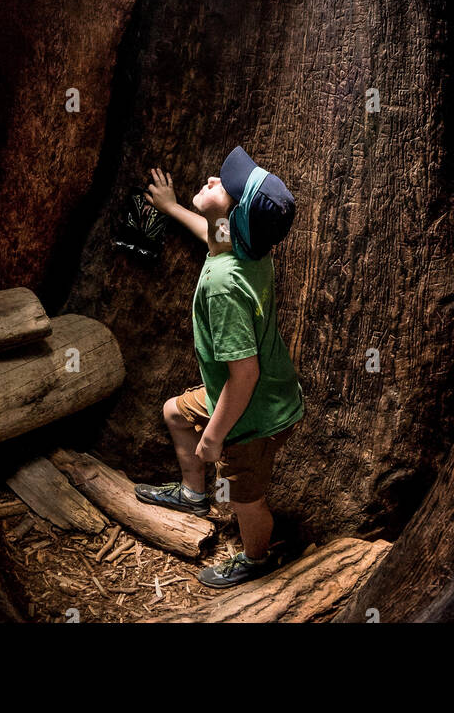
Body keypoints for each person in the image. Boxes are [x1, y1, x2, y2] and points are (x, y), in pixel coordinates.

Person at [135, 145, 304, 588]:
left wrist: (213, 436)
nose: (212, 178)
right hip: (257, 395)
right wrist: (171, 208)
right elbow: (211, 233)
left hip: (255, 417)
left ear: (235, 220)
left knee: (245, 499)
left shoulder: (224, 286)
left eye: (224, 186)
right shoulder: (249, 250)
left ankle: (256, 559)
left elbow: (243, 374)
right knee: (175, 412)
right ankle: (193, 494)